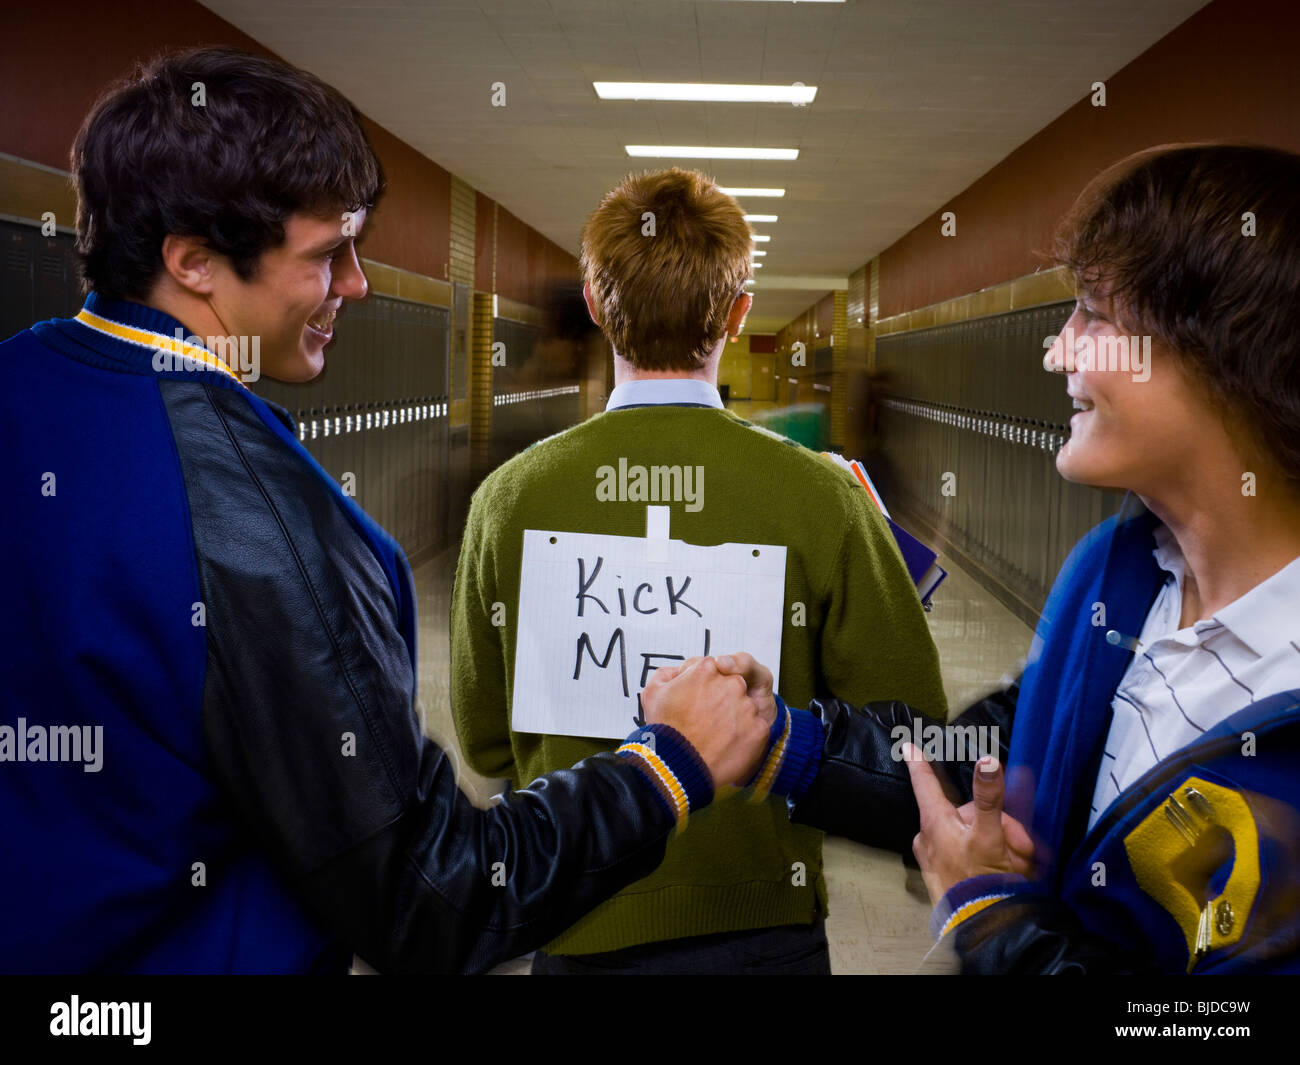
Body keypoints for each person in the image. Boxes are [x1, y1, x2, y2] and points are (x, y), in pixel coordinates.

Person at [0, 46, 789, 975]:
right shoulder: (256, 520)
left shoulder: (24, 381)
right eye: (328, 254)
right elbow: (434, 895)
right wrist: (668, 766)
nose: (359, 285)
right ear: (194, 261)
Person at [759, 143, 1300, 974]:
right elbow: (994, 754)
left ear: (1227, 348)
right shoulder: (1119, 574)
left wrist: (985, 917)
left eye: (1093, 313)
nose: (1057, 351)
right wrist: (778, 738)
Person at [451, 167, 948, 973]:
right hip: (764, 928)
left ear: (592, 301)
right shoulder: (822, 495)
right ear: (739, 310)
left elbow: (484, 736)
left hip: (579, 920)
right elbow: (913, 732)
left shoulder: (508, 499)